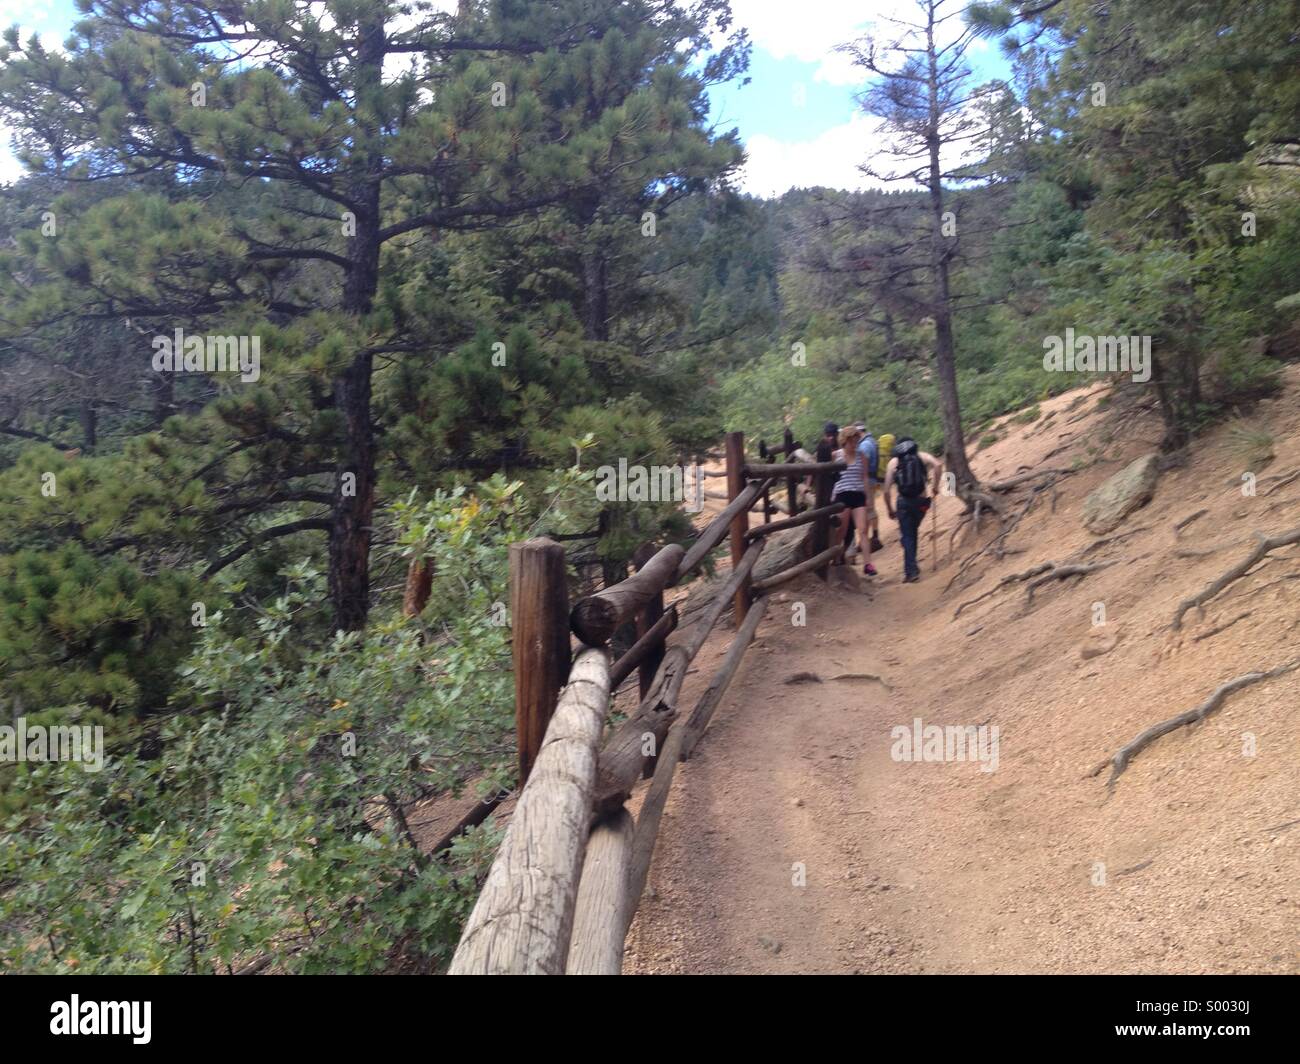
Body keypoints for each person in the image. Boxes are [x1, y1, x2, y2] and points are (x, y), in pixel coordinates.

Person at [882, 436, 943, 583]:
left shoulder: (894, 462)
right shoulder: (921, 456)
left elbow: (886, 491)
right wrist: (935, 487)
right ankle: (911, 564)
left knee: (908, 535)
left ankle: (911, 572)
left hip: (903, 503)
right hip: (921, 502)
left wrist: (890, 509)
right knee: (912, 532)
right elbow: (938, 465)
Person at [831, 425, 876, 576]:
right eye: (852, 441)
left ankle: (868, 564)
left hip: (857, 494)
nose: (855, 444)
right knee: (841, 529)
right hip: (842, 494)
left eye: (856, 441)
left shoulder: (861, 455)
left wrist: (868, 497)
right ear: (845, 440)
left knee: (863, 530)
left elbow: (864, 476)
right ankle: (836, 556)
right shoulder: (836, 455)